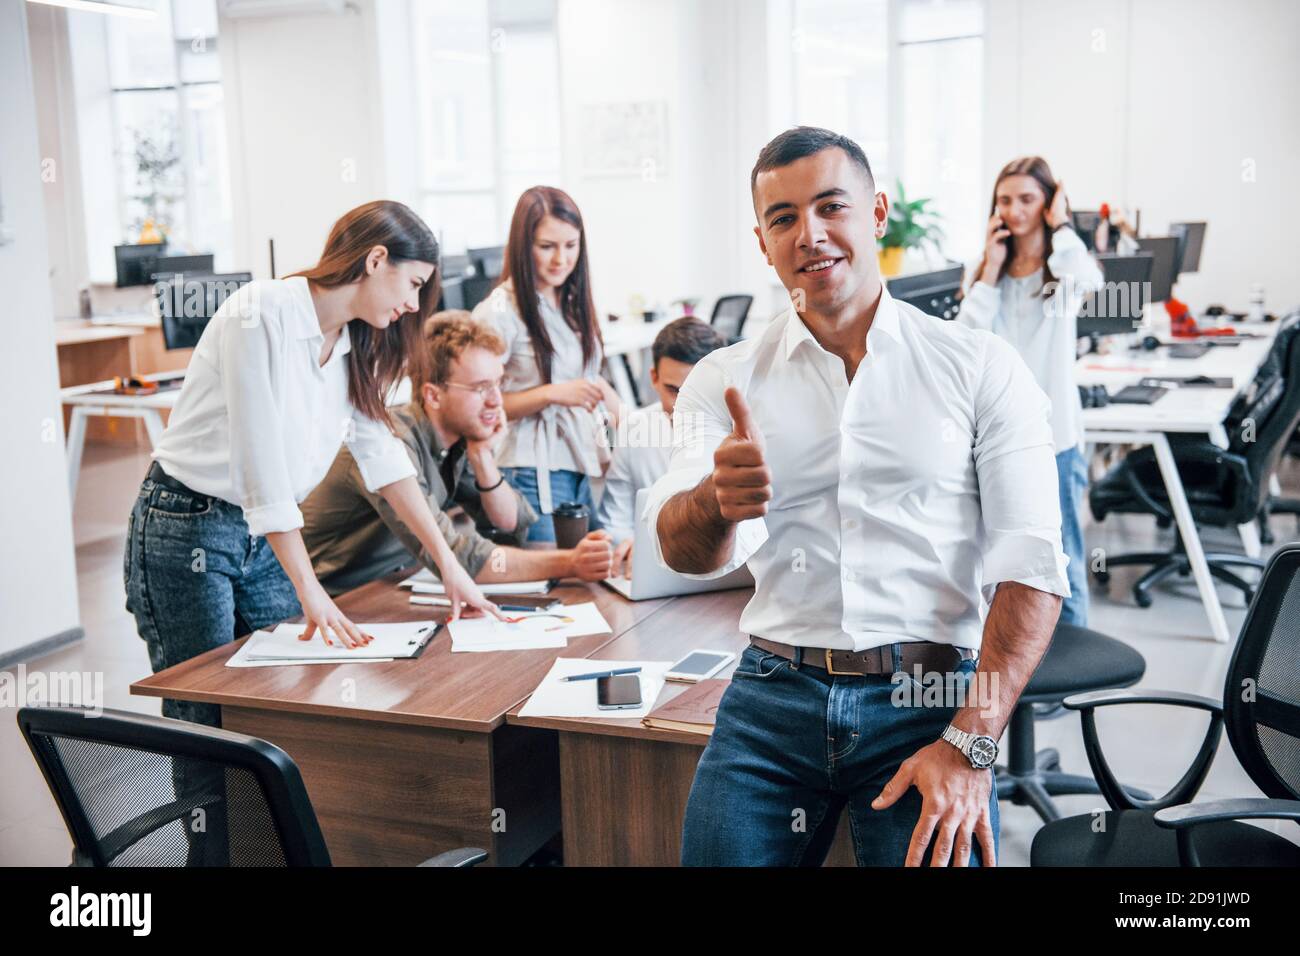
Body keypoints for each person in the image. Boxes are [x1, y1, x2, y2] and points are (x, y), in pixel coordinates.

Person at [647, 127, 1068, 867]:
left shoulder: (978, 367)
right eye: (783, 219)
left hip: (928, 695)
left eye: (830, 207)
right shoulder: (723, 379)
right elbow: (685, 552)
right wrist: (717, 500)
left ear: (875, 214)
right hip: (772, 693)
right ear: (763, 241)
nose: (809, 234)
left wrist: (970, 744)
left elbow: (1032, 568)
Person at [126, 201, 500, 730]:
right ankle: (207, 818)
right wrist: (310, 588)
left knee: (287, 693)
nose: (415, 305)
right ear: (375, 261)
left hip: (266, 534)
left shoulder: (357, 340)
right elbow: (262, 470)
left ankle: (264, 816)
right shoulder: (259, 313)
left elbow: (384, 458)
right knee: (204, 710)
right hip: (187, 524)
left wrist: (450, 567)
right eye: (413, 284)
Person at [302, 311, 615, 592]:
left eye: (498, 384)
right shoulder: (390, 446)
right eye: (481, 388)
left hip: (389, 587)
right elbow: (462, 557)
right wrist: (571, 563)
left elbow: (512, 525)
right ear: (433, 396)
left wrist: (482, 457)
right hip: (332, 598)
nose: (496, 400)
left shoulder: (456, 443)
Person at [955, 156, 1103, 628]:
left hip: (1055, 438)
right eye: (1005, 200)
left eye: (1027, 199)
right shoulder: (984, 271)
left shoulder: (1062, 271)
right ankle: (1024, 672)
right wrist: (991, 271)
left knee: (1061, 557)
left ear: (1047, 204)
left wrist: (1062, 223)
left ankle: (1075, 673)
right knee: (1006, 567)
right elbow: (963, 343)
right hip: (997, 440)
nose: (1015, 210)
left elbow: (1092, 280)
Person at [472, 186, 622, 542]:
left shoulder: (570, 302)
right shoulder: (498, 313)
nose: (561, 259)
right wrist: (552, 394)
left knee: (598, 570)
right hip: (526, 468)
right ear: (523, 246)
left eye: (571, 246)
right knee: (553, 580)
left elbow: (587, 378)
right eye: (547, 247)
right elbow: (479, 408)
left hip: (577, 463)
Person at [597, 317, 726, 576]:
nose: (683, 405)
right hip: (657, 574)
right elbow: (615, 520)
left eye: (695, 390)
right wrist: (630, 542)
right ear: (654, 378)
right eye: (673, 390)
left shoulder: (740, 432)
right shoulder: (634, 430)